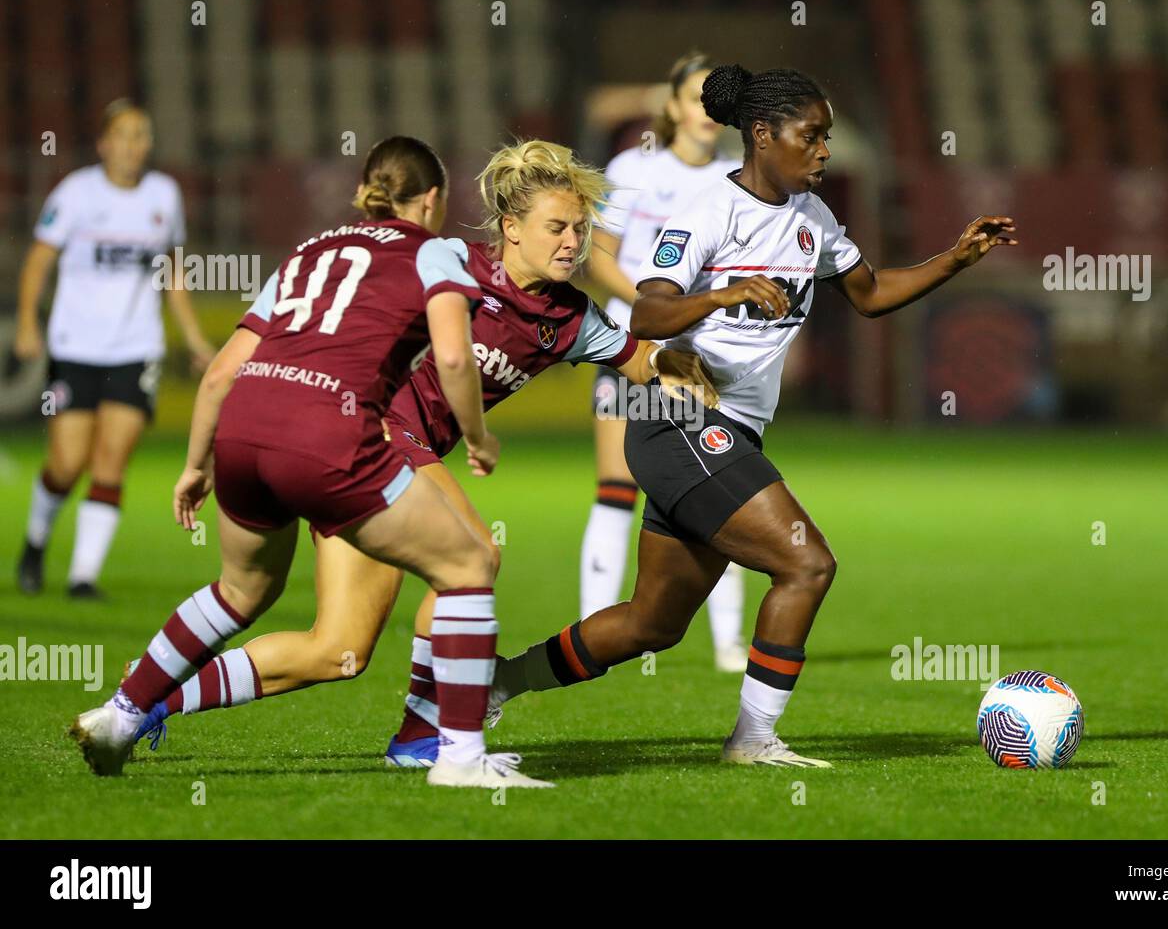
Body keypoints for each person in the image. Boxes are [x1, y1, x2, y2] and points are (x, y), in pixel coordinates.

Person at [124, 140, 716, 771]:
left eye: (580, 228)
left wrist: (681, 368)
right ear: (511, 229)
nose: (573, 241)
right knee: (473, 556)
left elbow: (641, 361)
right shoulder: (448, 264)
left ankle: (151, 701)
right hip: (370, 435)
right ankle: (431, 740)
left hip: (390, 459)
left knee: (340, 651)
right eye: (556, 227)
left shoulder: (571, 319)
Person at [488, 64, 1017, 767]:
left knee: (652, 624)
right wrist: (722, 295)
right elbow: (648, 309)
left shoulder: (814, 219)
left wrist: (955, 258)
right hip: (676, 417)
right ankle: (753, 738)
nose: (825, 150)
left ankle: (495, 680)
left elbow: (870, 293)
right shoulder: (710, 213)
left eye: (827, 136)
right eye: (813, 135)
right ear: (763, 136)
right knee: (808, 564)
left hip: (726, 435)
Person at [71, 135, 554, 789]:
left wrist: (195, 466)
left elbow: (218, 374)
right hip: (329, 434)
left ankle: (123, 712)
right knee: (469, 562)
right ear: (433, 198)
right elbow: (455, 357)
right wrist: (476, 437)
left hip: (242, 428)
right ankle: (459, 760)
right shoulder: (434, 250)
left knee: (239, 592)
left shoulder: (309, 250)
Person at [579, 52, 750, 672]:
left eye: (717, 99)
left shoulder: (740, 179)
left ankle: (728, 641)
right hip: (631, 348)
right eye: (695, 97)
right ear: (673, 107)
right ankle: (593, 625)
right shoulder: (633, 168)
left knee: (714, 492)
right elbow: (599, 258)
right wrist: (654, 308)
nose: (707, 111)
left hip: (701, 358)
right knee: (615, 488)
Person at [15, 99, 214, 600]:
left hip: (135, 348)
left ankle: (83, 577)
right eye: (123, 135)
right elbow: (39, 260)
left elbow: (172, 272)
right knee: (66, 462)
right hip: (75, 345)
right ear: (103, 143)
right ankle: (36, 543)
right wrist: (25, 323)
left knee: (110, 461)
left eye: (141, 135)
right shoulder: (76, 193)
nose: (132, 145)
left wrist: (192, 337)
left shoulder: (163, 195)